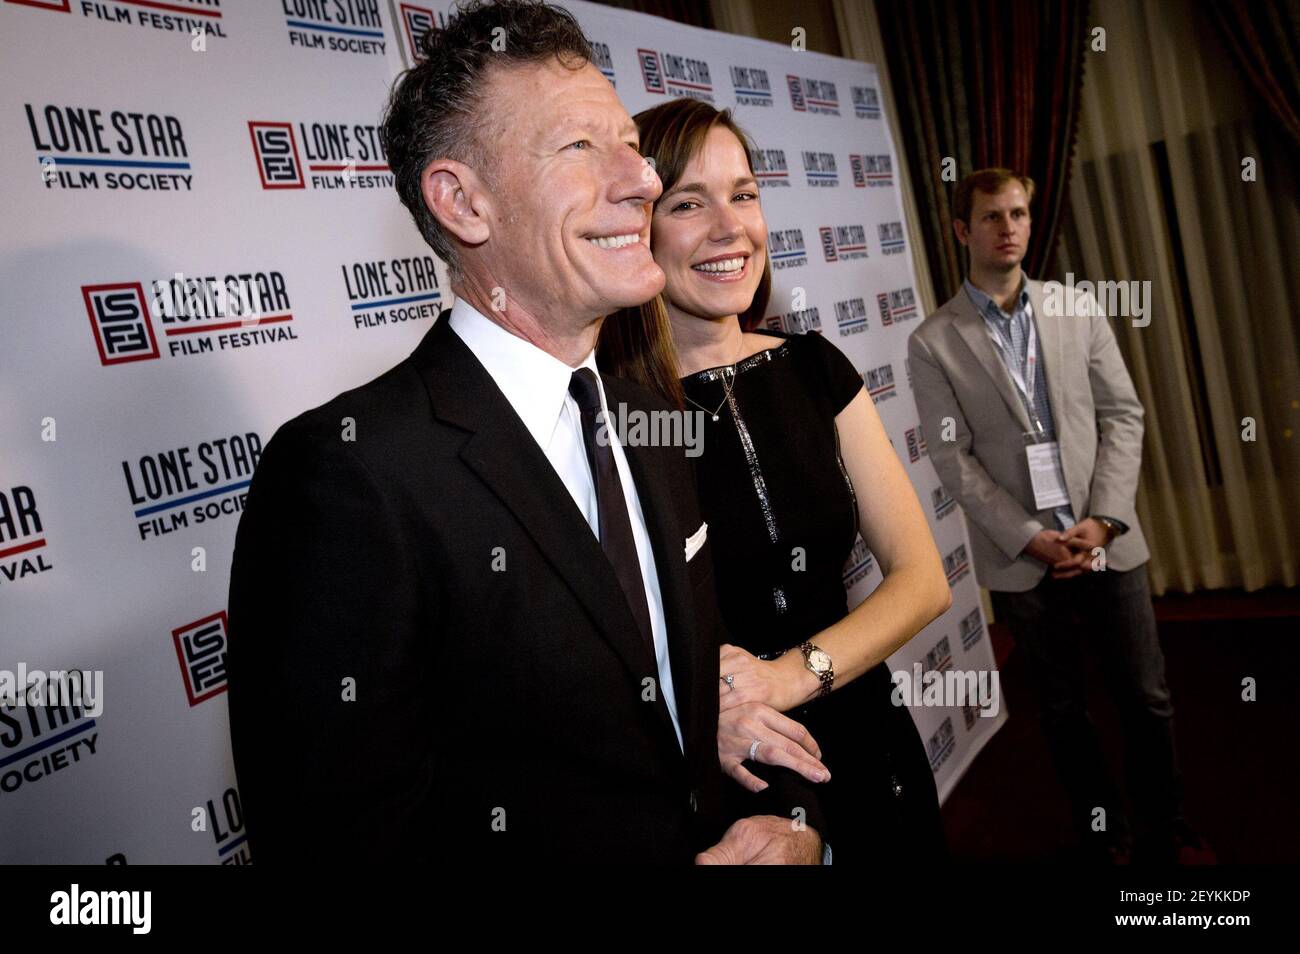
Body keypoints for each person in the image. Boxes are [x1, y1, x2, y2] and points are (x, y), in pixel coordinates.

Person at [225, 0, 828, 864]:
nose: (642, 180)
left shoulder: (654, 424)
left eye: (629, 143)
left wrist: (795, 825)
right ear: (464, 202)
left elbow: (687, 710)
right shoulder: (350, 474)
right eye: (580, 148)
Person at [599, 98, 953, 863]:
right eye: (689, 203)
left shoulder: (816, 366)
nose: (731, 229)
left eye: (745, 194)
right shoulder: (613, 415)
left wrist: (789, 677)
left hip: (866, 734)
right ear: (642, 227)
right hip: (734, 771)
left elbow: (923, 580)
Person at [907, 168, 1210, 863]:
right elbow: (954, 461)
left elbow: (1123, 414)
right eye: (991, 216)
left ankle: (1166, 827)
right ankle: (1104, 836)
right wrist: (1029, 536)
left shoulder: (1078, 309)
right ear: (962, 230)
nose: (1008, 227)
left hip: (1106, 540)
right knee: (1063, 709)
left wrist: (1103, 519)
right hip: (1021, 556)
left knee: (1146, 695)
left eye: (1018, 213)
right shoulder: (933, 341)